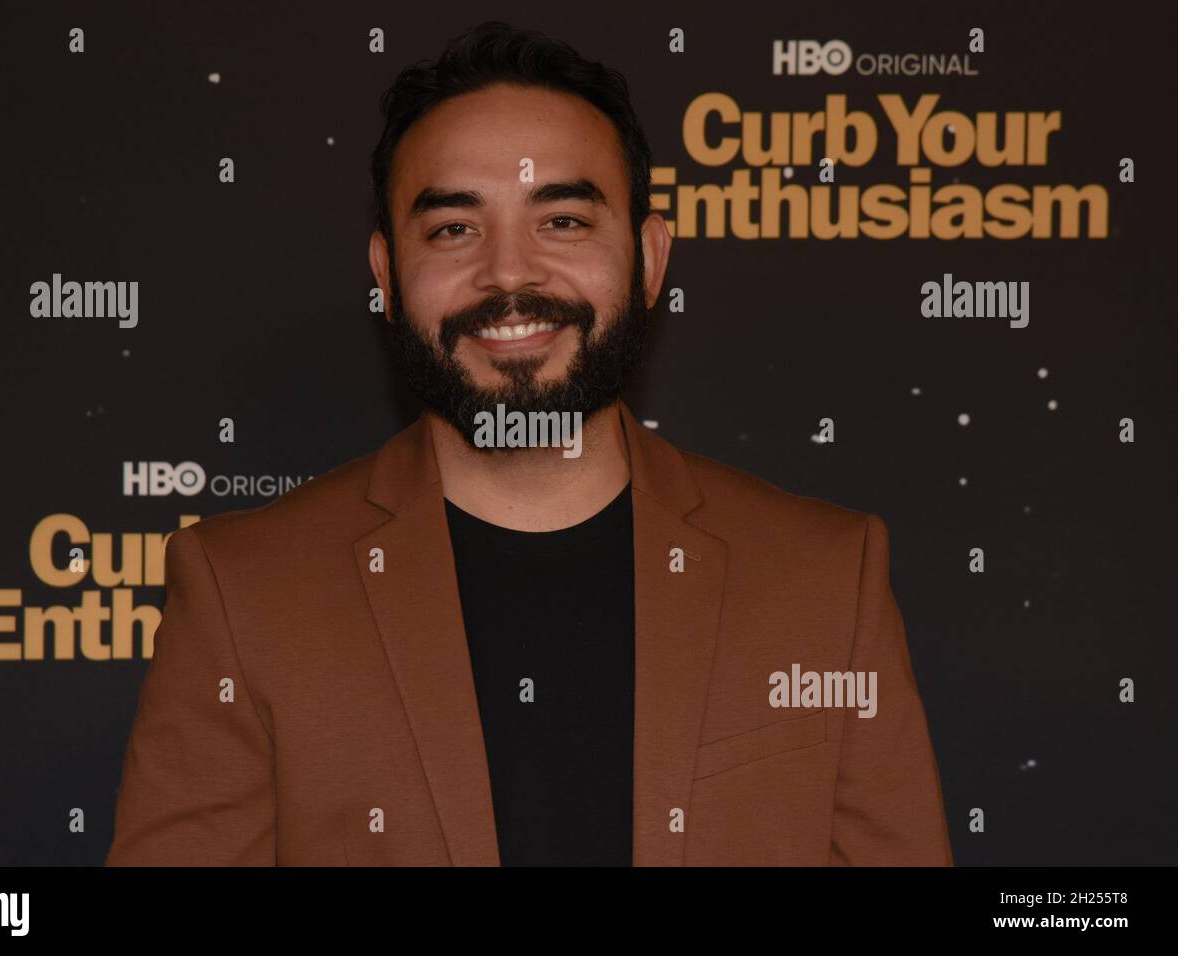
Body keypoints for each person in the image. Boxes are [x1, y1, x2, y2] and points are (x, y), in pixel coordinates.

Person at [105, 20, 952, 866]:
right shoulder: (243, 592)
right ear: (386, 276)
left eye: (564, 220)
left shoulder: (827, 578)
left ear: (650, 260)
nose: (509, 275)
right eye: (453, 229)